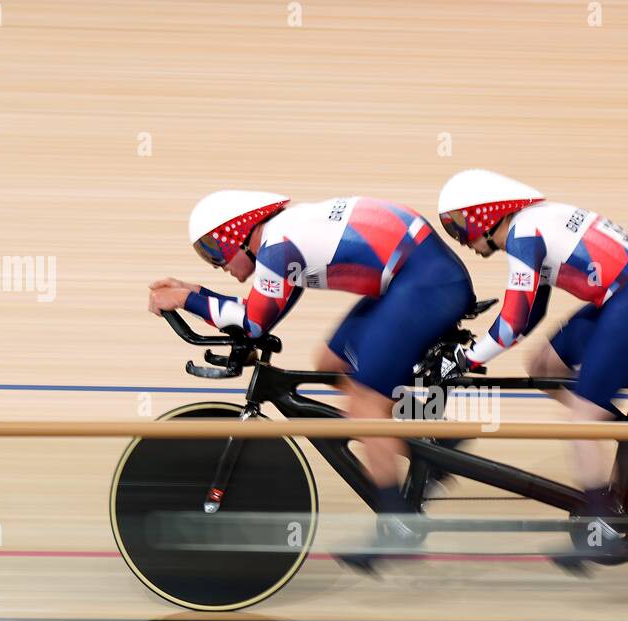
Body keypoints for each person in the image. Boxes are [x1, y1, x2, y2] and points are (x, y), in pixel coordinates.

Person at [147, 190, 476, 565]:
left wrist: (187, 300)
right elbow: (260, 316)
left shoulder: (278, 245)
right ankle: (434, 442)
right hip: (415, 277)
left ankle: (398, 526)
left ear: (235, 232)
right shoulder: (284, 239)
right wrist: (193, 292)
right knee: (330, 362)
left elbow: (254, 321)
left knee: (365, 401)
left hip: (425, 283)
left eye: (212, 249)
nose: (215, 263)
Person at [435, 169, 628, 560]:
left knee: (581, 418)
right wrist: (478, 351)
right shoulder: (533, 226)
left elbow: (514, 323)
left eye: (459, 225)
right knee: (545, 366)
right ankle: (626, 434)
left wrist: (467, 358)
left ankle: (604, 528)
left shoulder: (524, 234)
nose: (460, 237)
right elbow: (530, 316)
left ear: (485, 214)